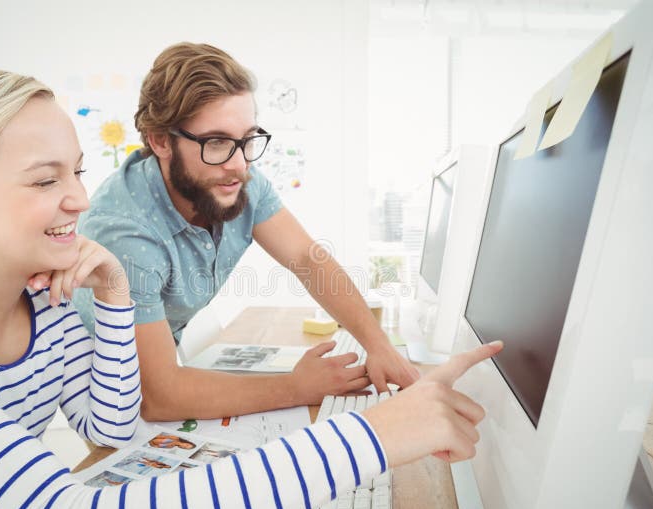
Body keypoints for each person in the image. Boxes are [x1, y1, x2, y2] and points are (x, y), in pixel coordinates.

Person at [0, 66, 502, 509]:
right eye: (44, 179)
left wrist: (113, 294)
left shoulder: (43, 306)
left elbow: (112, 428)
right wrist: (376, 435)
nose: (80, 200)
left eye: (77, 171)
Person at [73, 42, 420, 422]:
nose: (239, 165)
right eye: (217, 142)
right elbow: (159, 397)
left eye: (246, 140)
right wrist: (297, 387)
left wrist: (378, 345)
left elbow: (307, 258)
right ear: (160, 140)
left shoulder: (232, 178)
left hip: (159, 371)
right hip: (102, 399)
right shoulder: (126, 235)